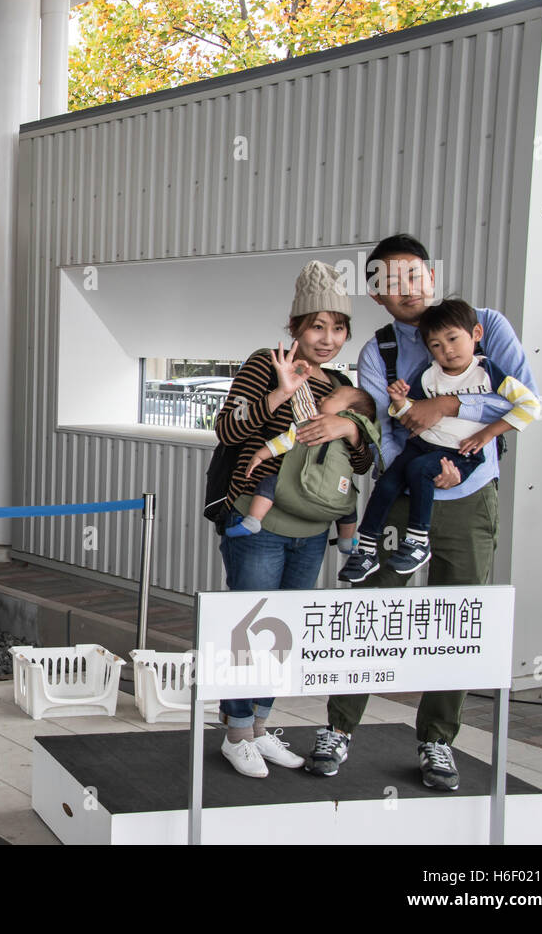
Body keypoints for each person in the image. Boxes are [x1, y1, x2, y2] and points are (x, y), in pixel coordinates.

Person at [307, 234, 541, 791]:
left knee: (460, 616)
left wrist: (451, 408)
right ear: (376, 295)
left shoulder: (486, 325)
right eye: (391, 282)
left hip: (471, 492)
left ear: (432, 279)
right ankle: (339, 727)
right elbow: (383, 432)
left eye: (415, 276)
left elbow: (524, 398)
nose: (407, 289)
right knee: (372, 609)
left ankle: (438, 738)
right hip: (404, 495)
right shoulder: (377, 353)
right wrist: (416, 469)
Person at [213, 260, 375, 778]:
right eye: (316, 326)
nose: (327, 339)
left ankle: (261, 728)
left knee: (281, 636)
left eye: (338, 327)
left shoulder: (344, 386)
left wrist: (348, 430)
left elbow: (363, 464)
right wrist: (281, 393)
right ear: (295, 328)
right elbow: (227, 429)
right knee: (248, 628)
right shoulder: (268, 362)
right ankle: (236, 733)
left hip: (313, 530)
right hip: (259, 525)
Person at [339, 300, 540, 583]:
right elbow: (408, 414)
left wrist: (487, 432)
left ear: (477, 334)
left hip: (461, 453)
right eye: (436, 344)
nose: (447, 349)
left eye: (453, 339)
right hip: (422, 445)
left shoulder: (489, 373)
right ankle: (368, 547)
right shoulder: (429, 373)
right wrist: (399, 403)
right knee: (388, 481)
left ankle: (418, 540)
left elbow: (531, 404)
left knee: (420, 469)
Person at [231, 384, 378, 559]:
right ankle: (253, 520)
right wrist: (260, 455)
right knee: (269, 483)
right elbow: (287, 440)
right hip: (286, 503)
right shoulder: (309, 423)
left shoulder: (353, 436)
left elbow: (363, 465)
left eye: (330, 397)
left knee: (348, 503)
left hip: (323, 508)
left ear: (351, 413)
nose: (322, 398)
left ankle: (346, 539)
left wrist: (351, 430)